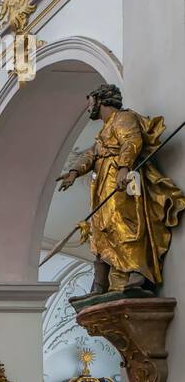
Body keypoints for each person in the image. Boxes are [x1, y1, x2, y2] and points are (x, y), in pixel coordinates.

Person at [57, 83, 185, 297]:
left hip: (119, 180)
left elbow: (132, 142)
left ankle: (137, 273)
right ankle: (101, 284)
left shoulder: (124, 118)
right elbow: (92, 154)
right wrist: (74, 171)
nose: (88, 108)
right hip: (101, 184)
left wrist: (123, 168)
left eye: (90, 103)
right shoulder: (104, 129)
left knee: (125, 223)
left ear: (101, 100)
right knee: (100, 228)